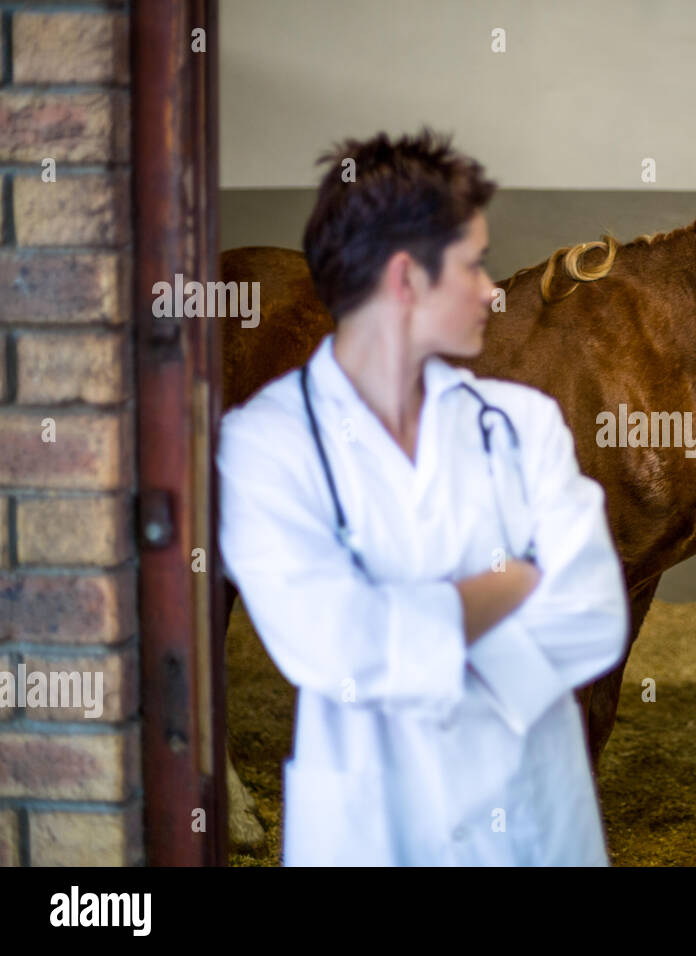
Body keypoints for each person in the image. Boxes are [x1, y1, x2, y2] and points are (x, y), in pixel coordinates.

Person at [216, 128, 629, 866]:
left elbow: (595, 619)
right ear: (405, 279)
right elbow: (328, 643)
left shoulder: (523, 425)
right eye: (474, 266)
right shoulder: (264, 446)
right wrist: (516, 585)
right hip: (373, 833)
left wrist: (403, 626)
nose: (494, 290)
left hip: (537, 826)